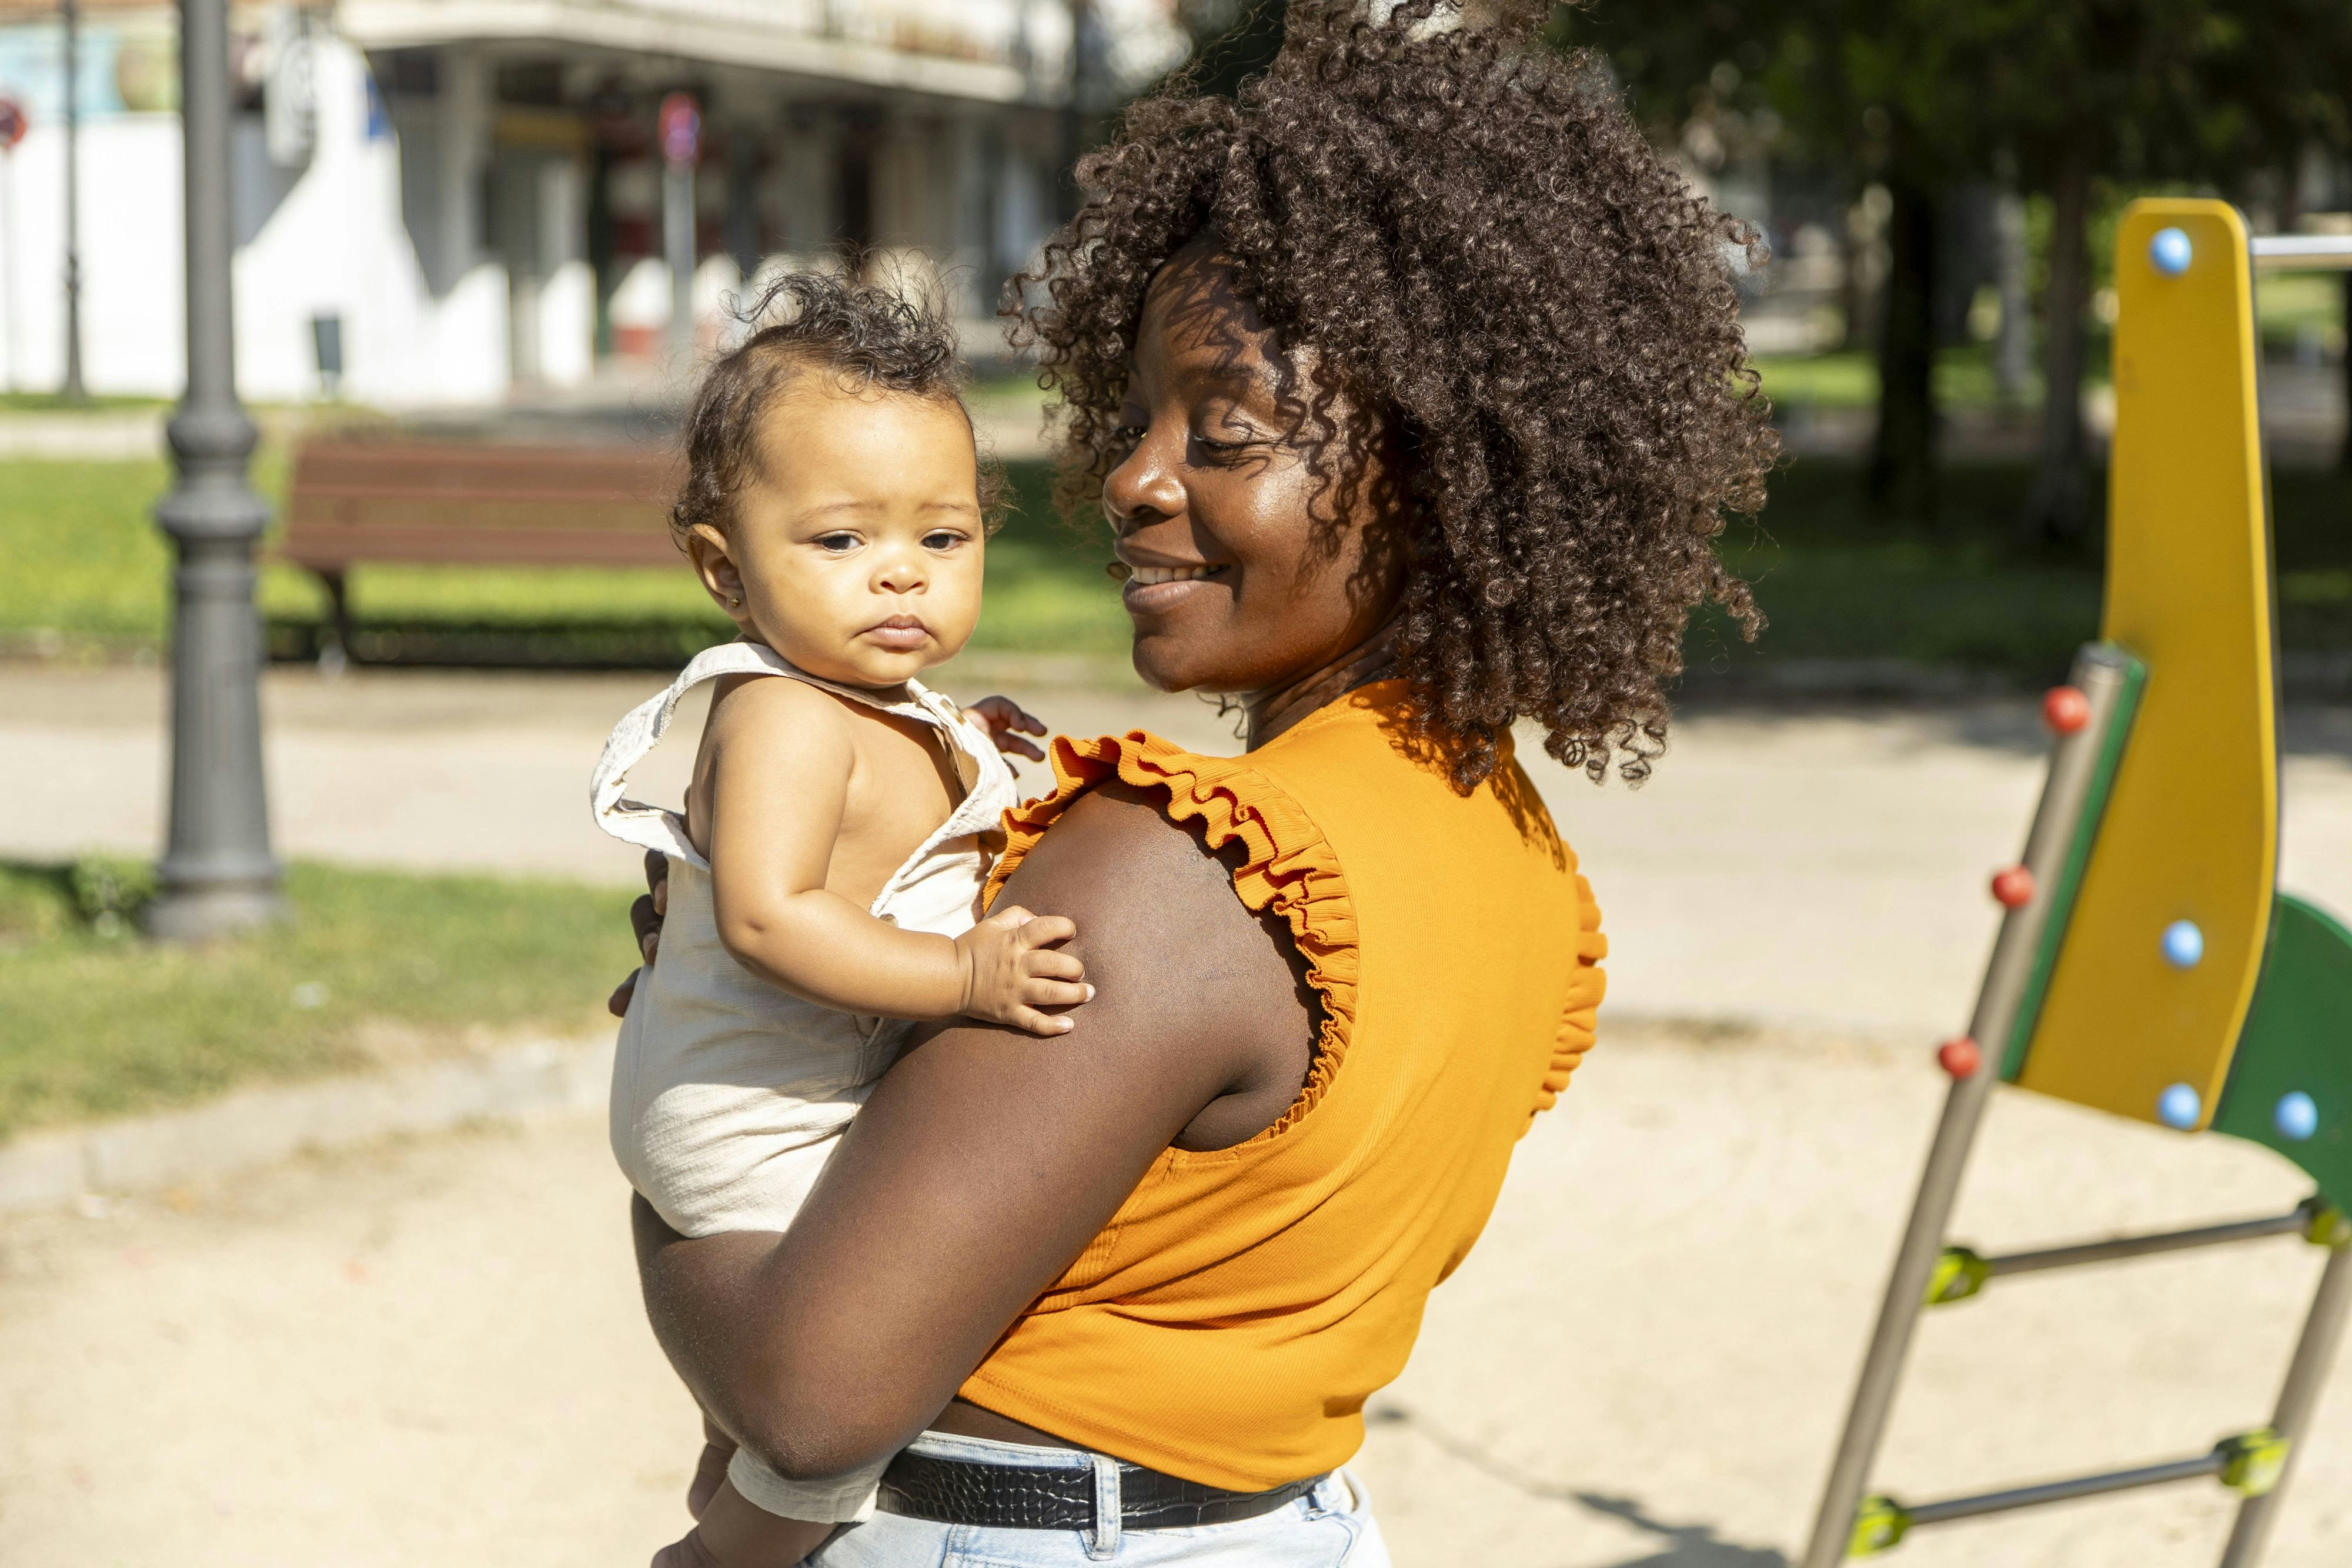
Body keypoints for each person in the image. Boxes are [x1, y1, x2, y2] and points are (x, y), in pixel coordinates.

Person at [614, 4, 1775, 1562]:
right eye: (1137, 417)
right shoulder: (1512, 858)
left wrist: (677, 1095)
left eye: (1223, 436)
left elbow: (810, 1391)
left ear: (1432, 477)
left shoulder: (1190, 867)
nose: (1131, 477)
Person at [592, 270, 1088, 1567]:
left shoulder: (886, 708)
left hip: (778, 1087)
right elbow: (768, 917)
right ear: (725, 568)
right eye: (840, 542)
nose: (900, 575)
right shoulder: (784, 715)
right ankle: (723, 1556)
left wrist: (985, 760)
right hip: (750, 1109)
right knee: (875, 1345)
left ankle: (728, 1458)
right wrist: (963, 975)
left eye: (944, 539)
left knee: (802, 1340)